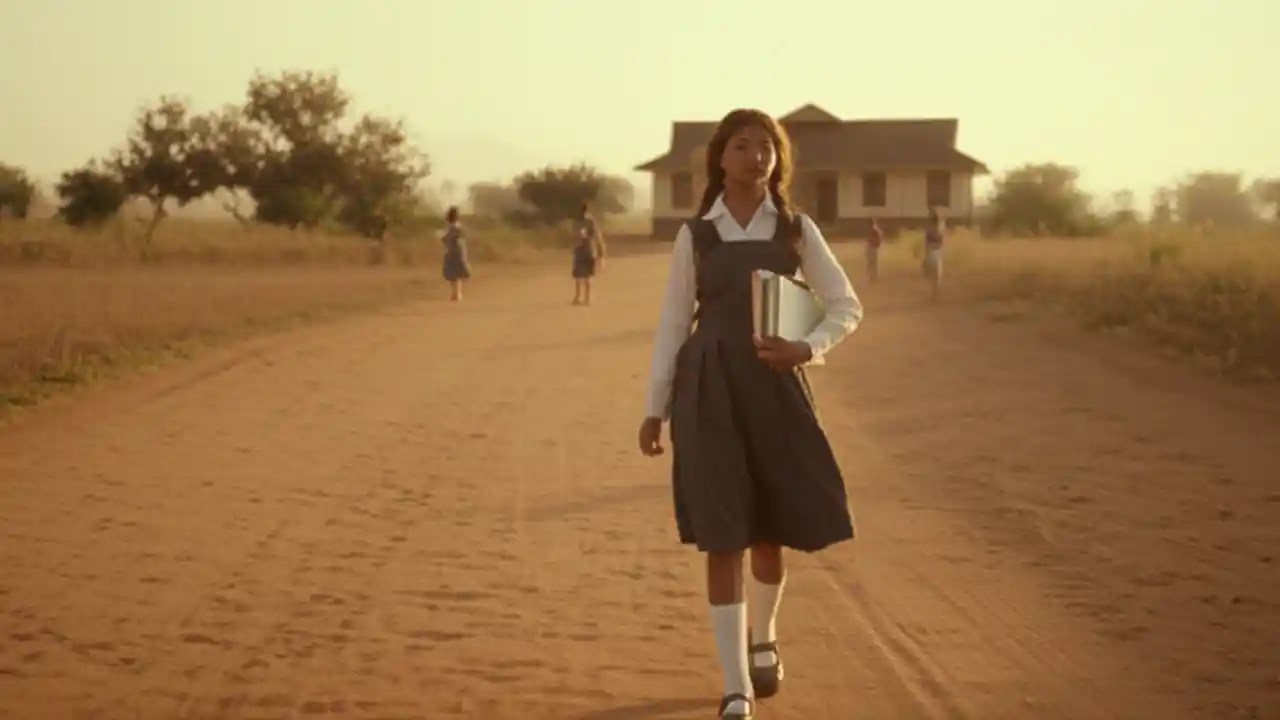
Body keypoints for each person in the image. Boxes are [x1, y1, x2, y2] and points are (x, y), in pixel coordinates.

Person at [636, 108, 863, 720]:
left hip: (774, 390)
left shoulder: (795, 229)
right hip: (708, 392)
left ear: (778, 160)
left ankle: (764, 637)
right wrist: (654, 408)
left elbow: (845, 306)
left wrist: (804, 349)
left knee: (769, 535)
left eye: (767, 146)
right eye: (742, 146)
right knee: (723, 536)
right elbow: (670, 323)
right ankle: (736, 686)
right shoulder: (697, 236)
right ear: (721, 159)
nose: (756, 155)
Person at [572, 203, 607, 305]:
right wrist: (601, 254)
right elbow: (598, 237)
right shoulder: (590, 221)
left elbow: (574, 236)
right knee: (586, 275)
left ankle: (580, 297)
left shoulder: (578, 222)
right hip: (588, 250)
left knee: (580, 274)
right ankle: (585, 297)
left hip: (582, 249)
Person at [440, 206, 470, 301]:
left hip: (454, 251)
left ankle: (456, 294)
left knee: (453, 273)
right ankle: (457, 293)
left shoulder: (454, 227)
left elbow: (448, 238)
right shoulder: (458, 226)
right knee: (456, 273)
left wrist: (443, 238)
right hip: (459, 250)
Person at [922, 207, 944, 301]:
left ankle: (934, 293)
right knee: (936, 274)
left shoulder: (930, 229)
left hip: (932, 251)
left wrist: (926, 256)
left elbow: (927, 243)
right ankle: (935, 292)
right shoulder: (940, 228)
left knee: (932, 274)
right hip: (937, 251)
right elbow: (941, 242)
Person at [866, 217, 883, 282]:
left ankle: (873, 277)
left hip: (873, 247)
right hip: (873, 247)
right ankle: (873, 276)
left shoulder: (874, 229)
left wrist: (874, 244)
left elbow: (877, 238)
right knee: (872, 263)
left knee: (872, 263)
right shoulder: (875, 229)